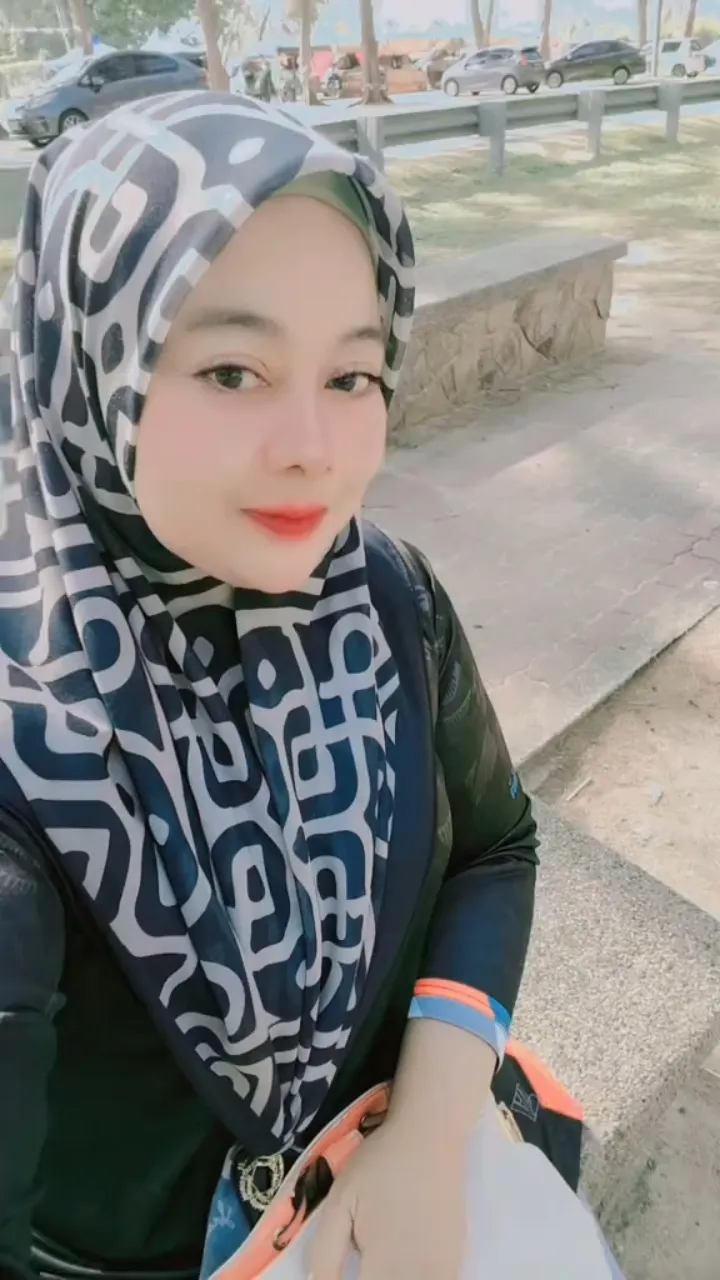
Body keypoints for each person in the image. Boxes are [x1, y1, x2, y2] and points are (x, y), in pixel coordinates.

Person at [0, 92, 539, 1280]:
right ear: (91, 362)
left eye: (352, 375)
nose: (313, 447)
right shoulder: (24, 720)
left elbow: (497, 847)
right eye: (234, 369)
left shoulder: (387, 597)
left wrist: (429, 1127)